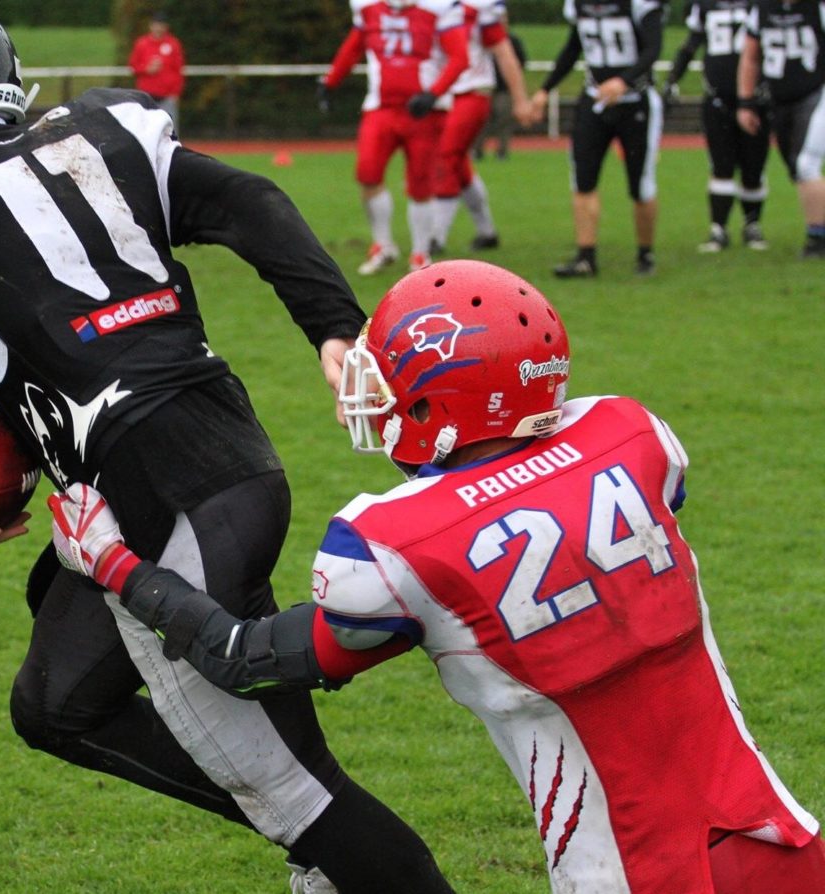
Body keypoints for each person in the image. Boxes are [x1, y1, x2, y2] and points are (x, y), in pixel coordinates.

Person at [0, 3, 455, 893]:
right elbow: (253, 202)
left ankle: (325, 840)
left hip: (158, 509)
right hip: (226, 461)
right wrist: (333, 326)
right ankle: (318, 838)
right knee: (55, 703)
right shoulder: (102, 132)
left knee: (299, 796)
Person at [49, 258, 825, 894]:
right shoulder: (631, 432)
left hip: (629, 874)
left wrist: (115, 563)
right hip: (783, 844)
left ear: (442, 401)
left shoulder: (399, 541)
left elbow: (245, 660)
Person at [318, 0, 470, 275]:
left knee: (420, 183)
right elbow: (354, 46)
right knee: (368, 173)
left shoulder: (439, 8)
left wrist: (433, 94)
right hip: (381, 107)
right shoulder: (368, 7)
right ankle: (383, 245)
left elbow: (460, 57)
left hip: (424, 112)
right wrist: (331, 80)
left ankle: (420, 253)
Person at [530, 0, 666, 277]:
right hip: (594, 101)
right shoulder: (578, 4)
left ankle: (645, 254)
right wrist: (546, 88)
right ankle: (586, 257)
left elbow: (653, 48)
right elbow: (573, 48)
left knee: (640, 186)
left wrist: (624, 81)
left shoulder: (638, 4)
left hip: (636, 101)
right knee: (583, 180)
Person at [424, 0, 532, 255]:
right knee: (458, 164)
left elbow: (503, 51)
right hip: (437, 93)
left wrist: (520, 99)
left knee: (446, 157)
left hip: (472, 89)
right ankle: (487, 232)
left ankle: (436, 237)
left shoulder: (478, 6)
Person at [664, 0, 770, 252]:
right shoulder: (705, 5)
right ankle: (719, 228)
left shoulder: (760, 5)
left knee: (753, 167)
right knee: (721, 165)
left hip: (755, 99)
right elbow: (691, 44)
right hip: (718, 97)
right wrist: (672, 79)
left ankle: (752, 225)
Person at [738, 0, 825, 258]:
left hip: (816, 93)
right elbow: (750, 56)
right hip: (780, 99)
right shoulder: (763, 8)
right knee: (796, 168)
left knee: (806, 164)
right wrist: (745, 102)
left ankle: (818, 238)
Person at [474, 28, 526, 160]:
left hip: (503, 89)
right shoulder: (480, 39)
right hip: (484, 88)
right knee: (479, 121)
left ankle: (502, 151)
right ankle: (477, 150)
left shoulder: (511, 41)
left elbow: (521, 61)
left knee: (504, 120)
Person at [127, 11, 185, 131]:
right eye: (156, 25)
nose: (159, 28)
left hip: (167, 97)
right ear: (151, 26)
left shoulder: (173, 44)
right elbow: (133, 66)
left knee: (169, 131)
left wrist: (176, 92)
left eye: (162, 25)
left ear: (166, 27)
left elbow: (178, 70)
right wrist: (146, 69)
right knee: (145, 130)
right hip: (146, 96)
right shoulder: (142, 44)